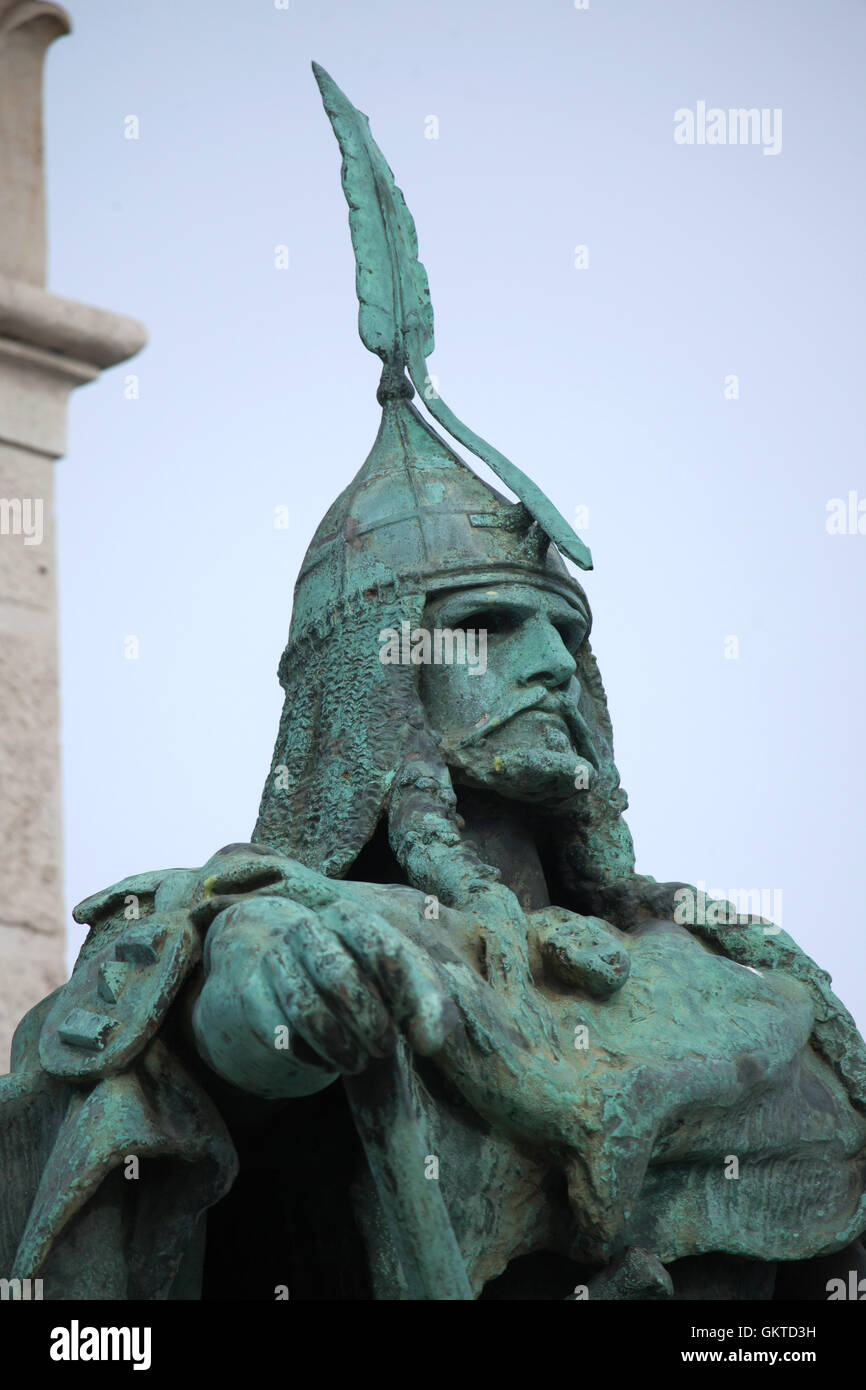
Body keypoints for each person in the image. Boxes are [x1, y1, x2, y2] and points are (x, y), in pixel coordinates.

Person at [2, 64, 864, 1301]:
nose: (547, 660)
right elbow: (214, 1030)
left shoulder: (744, 969)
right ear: (373, 680)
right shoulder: (249, 925)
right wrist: (279, 993)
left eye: (563, 633)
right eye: (489, 624)